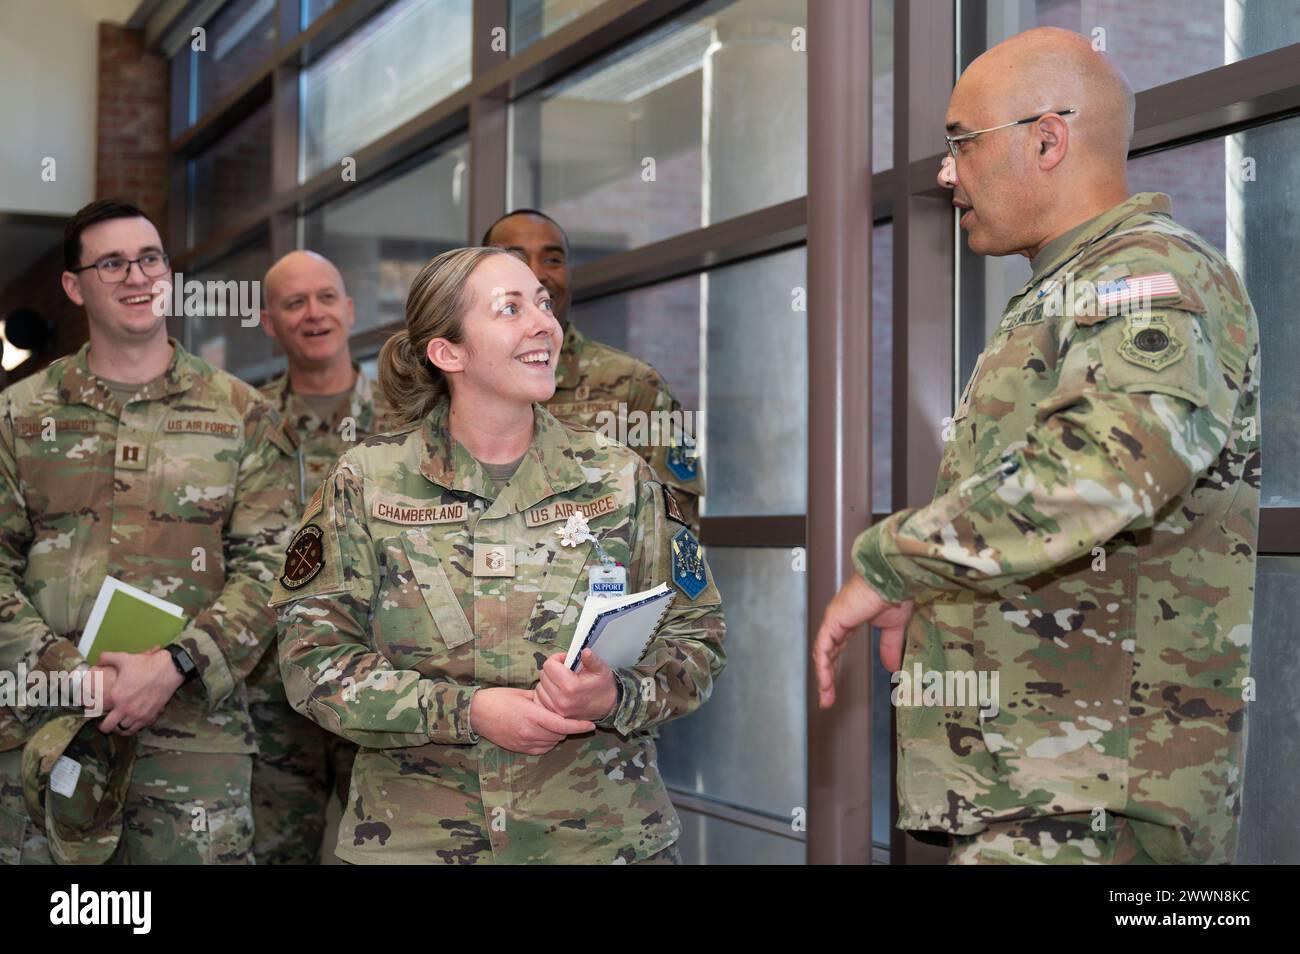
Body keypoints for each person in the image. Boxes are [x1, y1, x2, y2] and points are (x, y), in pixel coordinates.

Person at [814, 27, 1259, 865]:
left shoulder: (1147, 279)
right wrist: (941, 580)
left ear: (1047, 139)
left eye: (960, 144)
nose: (946, 173)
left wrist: (895, 559)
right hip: (1040, 794)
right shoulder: (1065, 291)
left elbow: (1110, 465)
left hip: (1096, 806)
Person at [269, 246, 725, 863]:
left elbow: (698, 638)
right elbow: (312, 661)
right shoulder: (365, 484)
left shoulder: (620, 479)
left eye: (541, 302)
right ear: (448, 352)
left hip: (602, 841)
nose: (544, 322)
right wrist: (468, 711)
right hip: (417, 843)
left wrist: (613, 697)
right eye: (510, 309)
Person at [0, 199, 298, 864]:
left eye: (150, 258)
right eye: (112, 263)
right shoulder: (19, 415)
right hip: (46, 733)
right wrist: (66, 674)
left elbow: (275, 567)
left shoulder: (245, 413)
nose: (137, 277)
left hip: (194, 743)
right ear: (75, 286)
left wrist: (175, 664)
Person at [248, 250, 395, 864]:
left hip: (382, 673)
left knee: (389, 850)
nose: (315, 314)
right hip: (271, 685)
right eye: (295, 302)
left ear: (350, 310)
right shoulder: (247, 420)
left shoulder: (405, 415)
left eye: (327, 297)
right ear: (269, 322)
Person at [484, 210, 706, 531]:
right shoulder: (453, 379)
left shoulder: (635, 386)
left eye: (553, 260)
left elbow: (674, 524)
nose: (536, 274)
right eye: (515, 258)